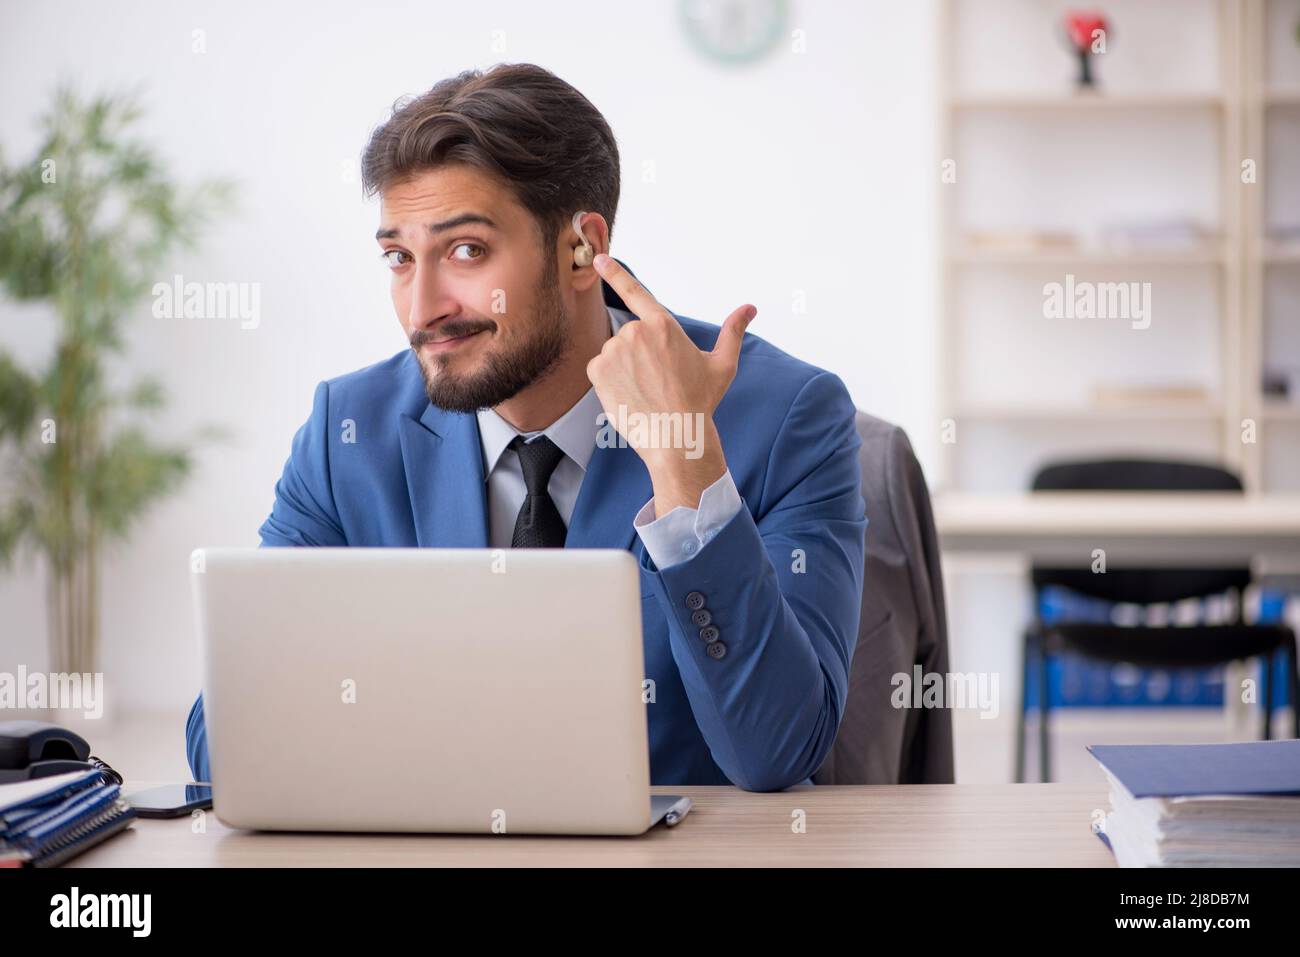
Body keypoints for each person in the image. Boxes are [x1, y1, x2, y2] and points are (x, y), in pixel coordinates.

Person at [186, 62, 866, 792]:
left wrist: (683, 466)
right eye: (398, 258)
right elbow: (226, 742)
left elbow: (776, 752)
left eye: (466, 251)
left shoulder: (789, 418)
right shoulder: (346, 433)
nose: (422, 310)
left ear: (581, 248)